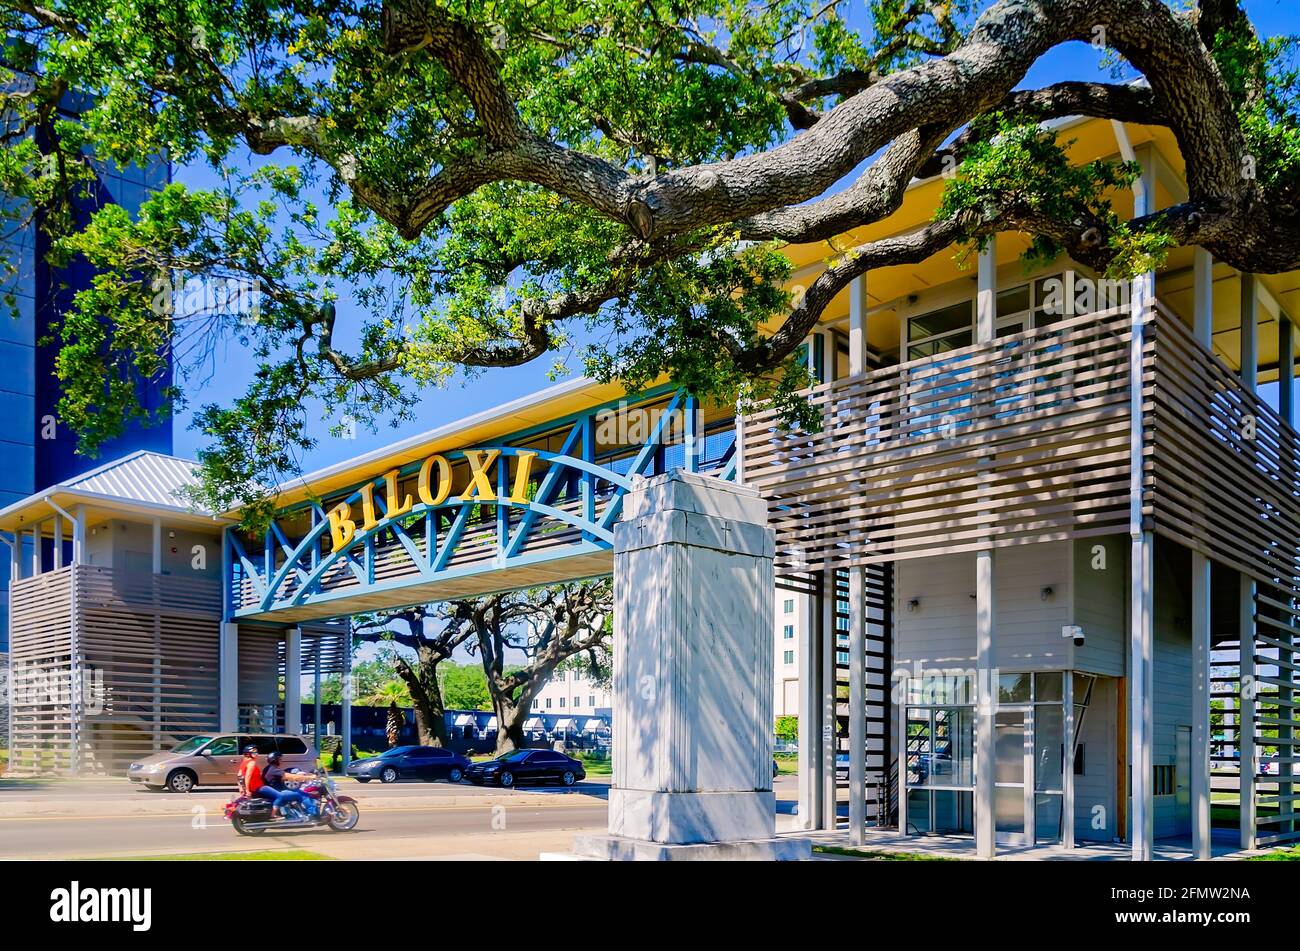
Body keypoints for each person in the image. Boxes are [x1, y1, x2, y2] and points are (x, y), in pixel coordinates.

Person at [260, 751, 317, 818]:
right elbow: (290, 776)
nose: (281, 761)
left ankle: (300, 813)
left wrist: (301, 775)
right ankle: (314, 815)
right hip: (279, 792)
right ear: (275, 760)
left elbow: (287, 777)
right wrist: (310, 777)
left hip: (275, 791)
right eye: (280, 759)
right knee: (303, 795)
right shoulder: (274, 770)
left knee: (297, 791)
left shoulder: (268, 768)